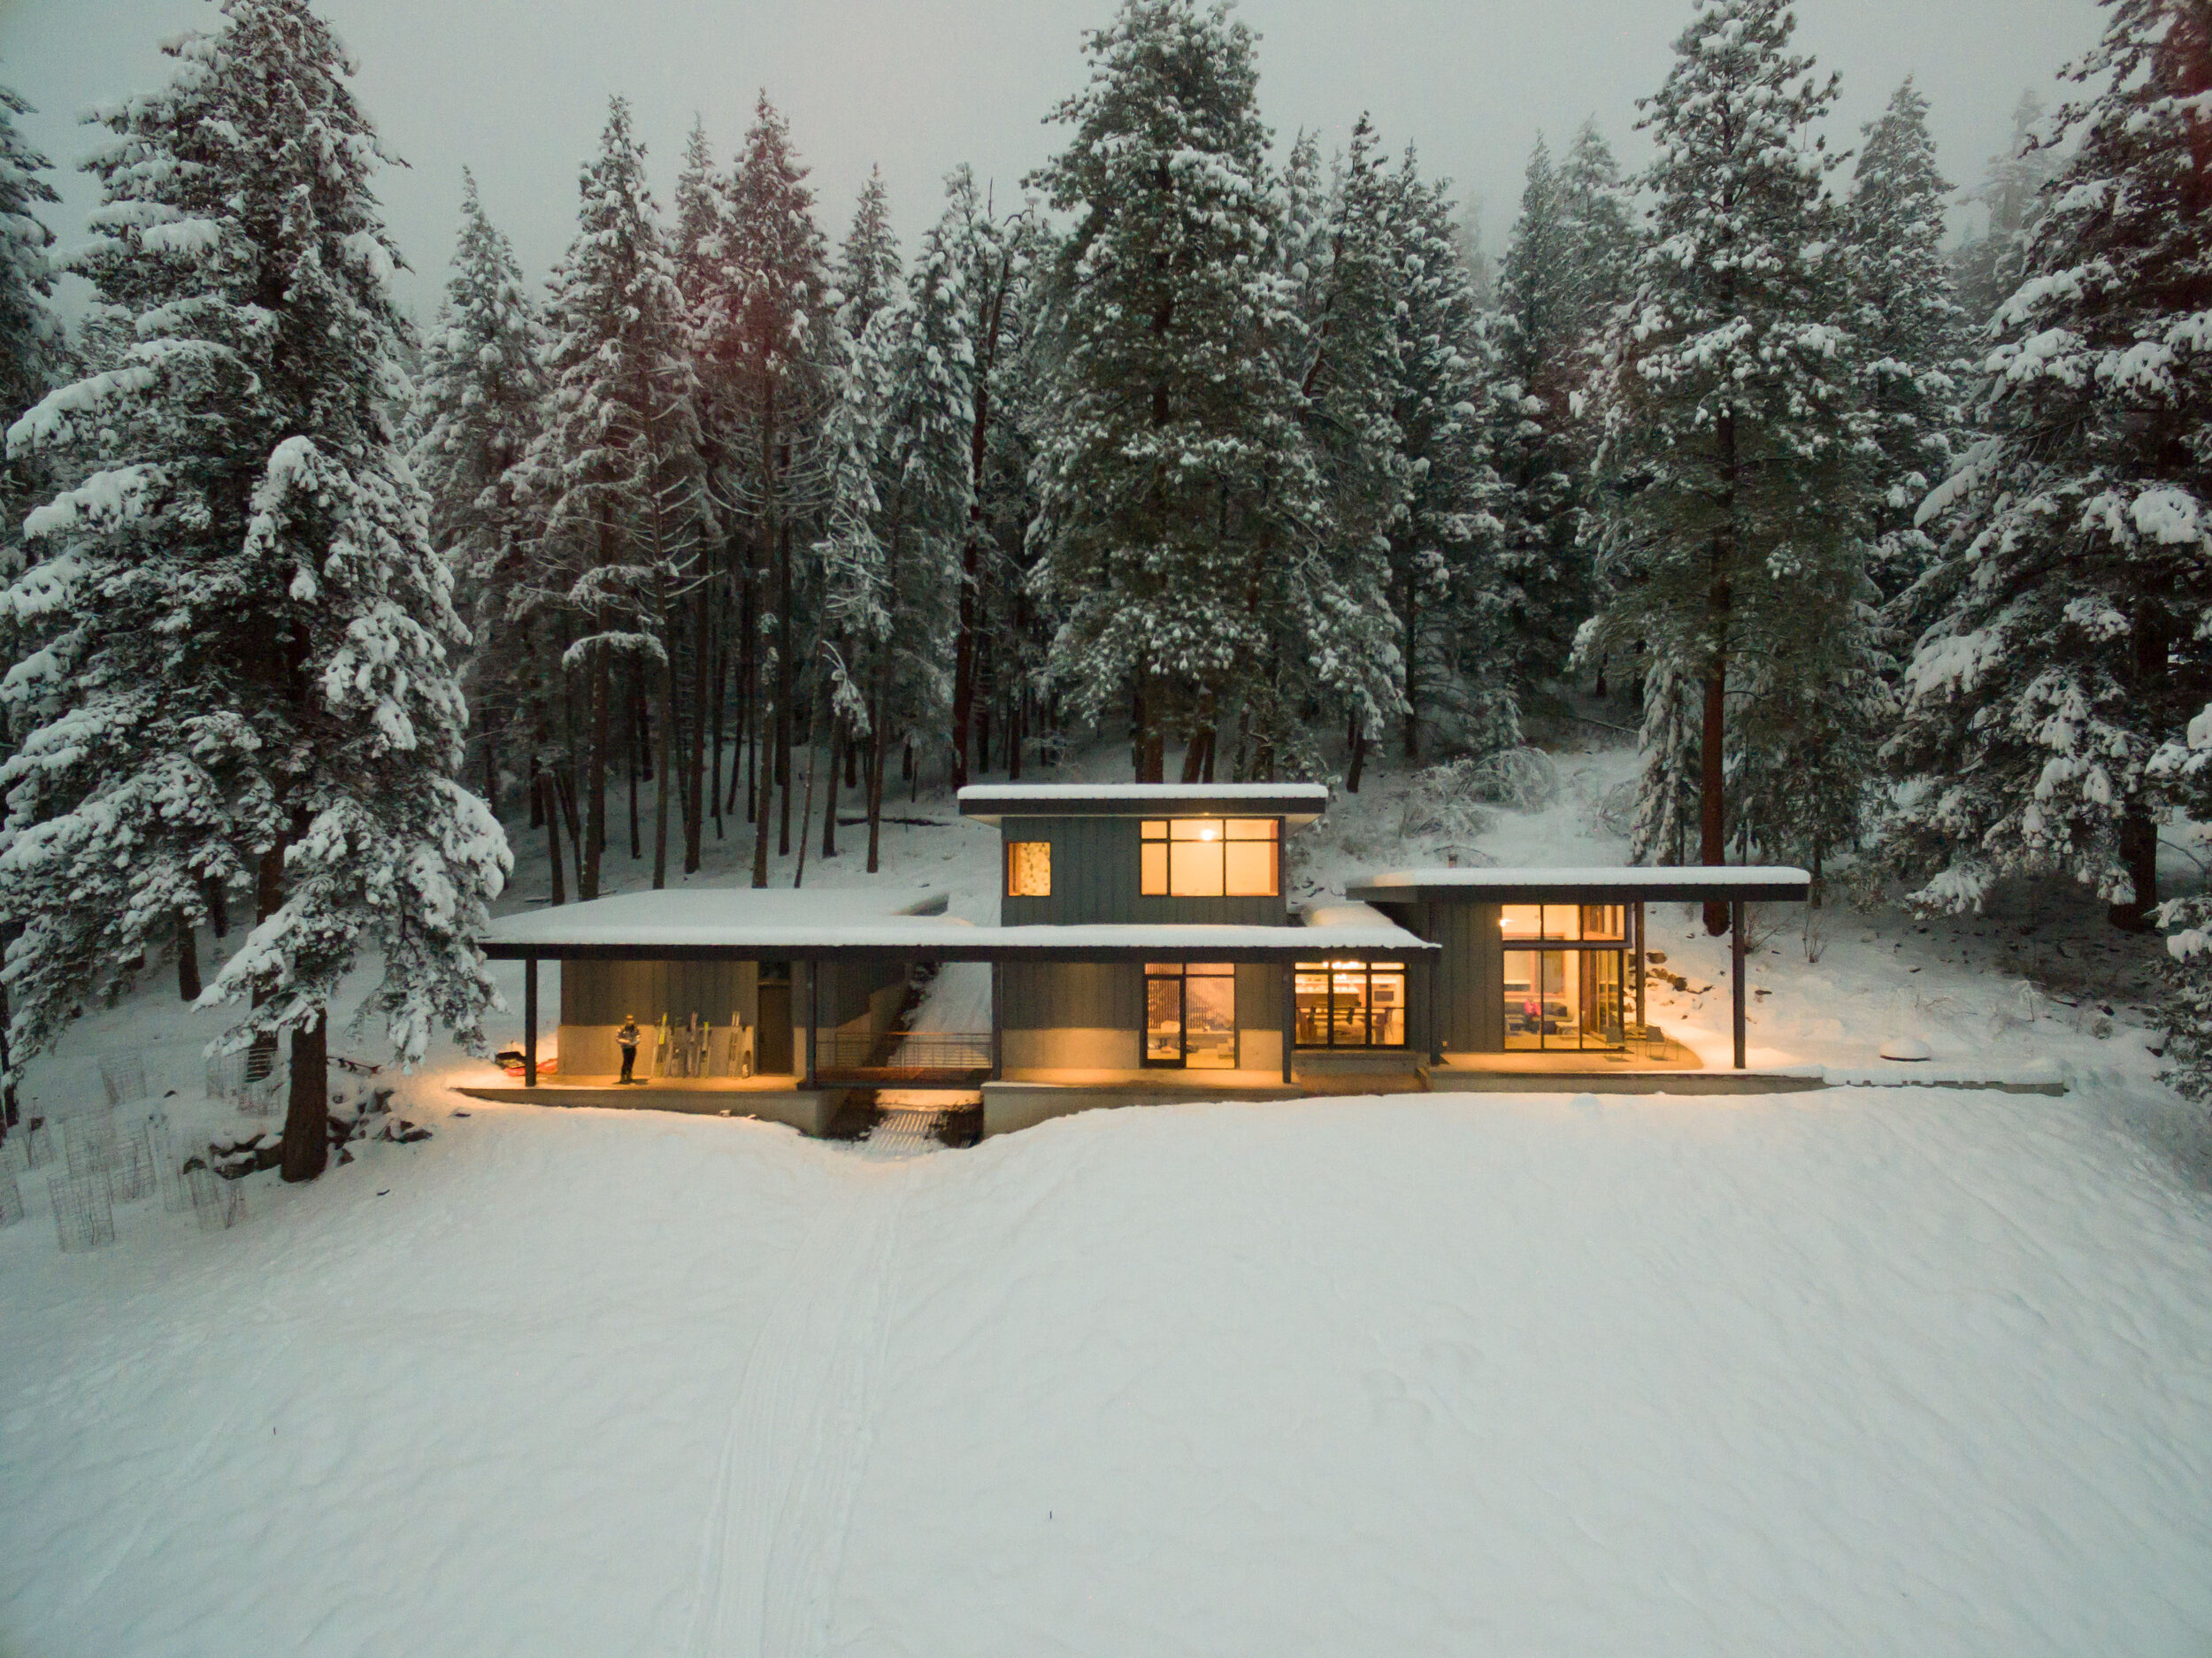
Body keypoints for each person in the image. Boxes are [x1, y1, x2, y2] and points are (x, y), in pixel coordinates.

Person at [618, 1014, 641, 1084]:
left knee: (631, 1061)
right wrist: (625, 1042)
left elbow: (638, 1037)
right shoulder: (622, 1028)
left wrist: (634, 1042)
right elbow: (618, 1038)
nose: (630, 1021)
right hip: (625, 1048)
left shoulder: (635, 1028)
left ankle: (629, 1075)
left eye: (631, 1019)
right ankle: (623, 1075)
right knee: (626, 1061)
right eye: (628, 1019)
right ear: (626, 1020)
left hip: (633, 1047)